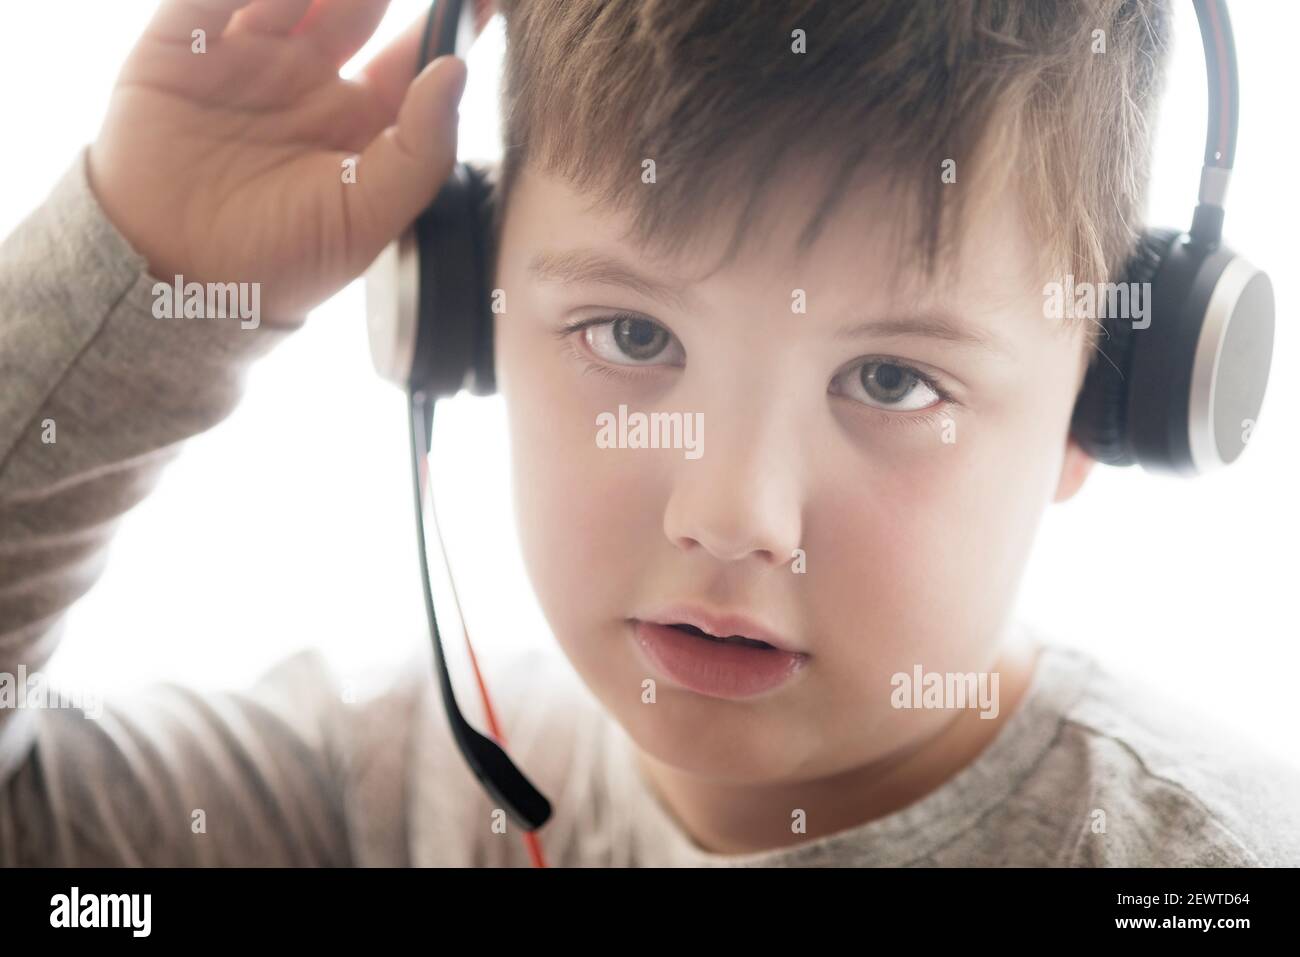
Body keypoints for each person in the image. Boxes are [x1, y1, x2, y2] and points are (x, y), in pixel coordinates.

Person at [1, 0, 1297, 867]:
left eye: (895, 378)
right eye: (632, 336)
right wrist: (142, 276)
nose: (731, 514)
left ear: (1105, 400)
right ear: (459, 310)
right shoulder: (389, 793)